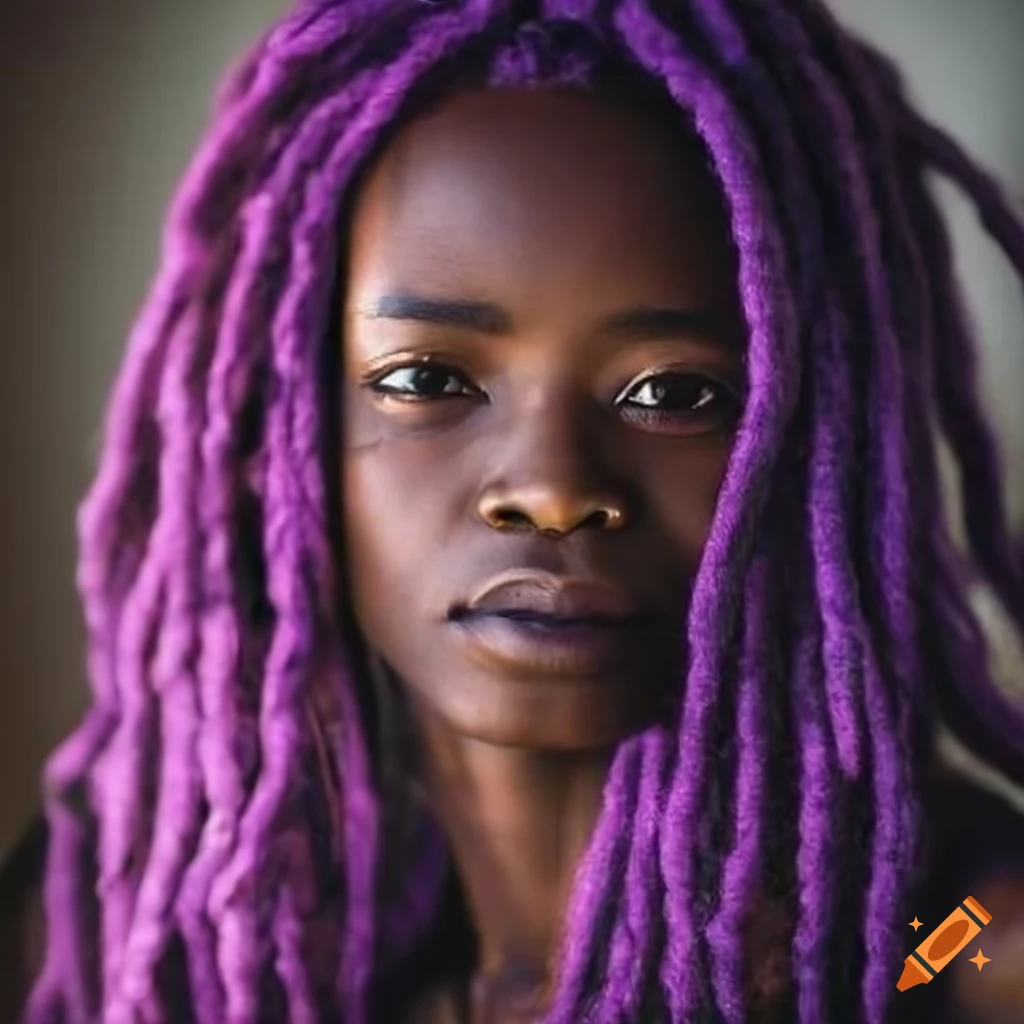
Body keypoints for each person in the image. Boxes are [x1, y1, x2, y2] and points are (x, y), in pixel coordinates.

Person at [19, 0, 1024, 1021]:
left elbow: (951, 963)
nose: (549, 488)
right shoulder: (142, 958)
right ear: (271, 438)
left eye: (673, 394)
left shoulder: (945, 945)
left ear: (822, 439)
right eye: (423, 380)